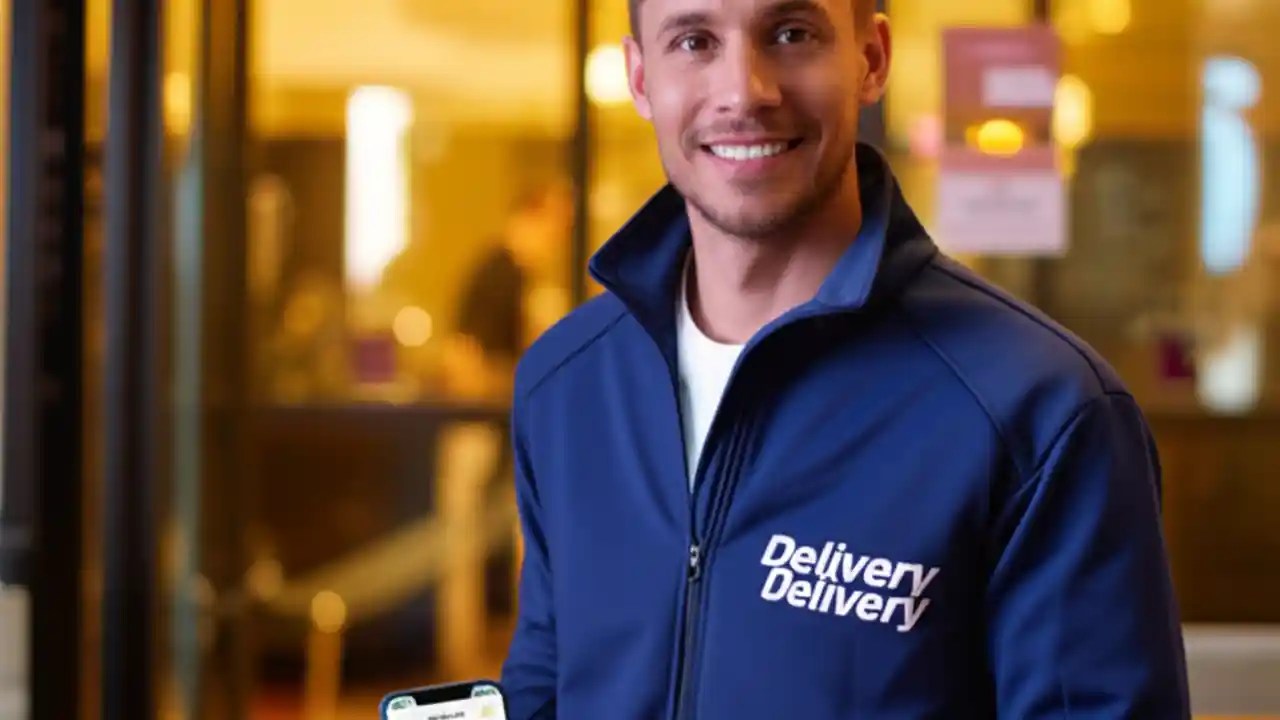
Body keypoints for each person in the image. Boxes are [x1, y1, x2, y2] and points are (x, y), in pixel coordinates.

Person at [500, 0, 1191, 717]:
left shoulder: (1039, 410)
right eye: (695, 41)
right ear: (641, 78)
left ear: (871, 60)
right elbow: (543, 690)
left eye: (791, 33)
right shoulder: (565, 384)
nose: (744, 91)